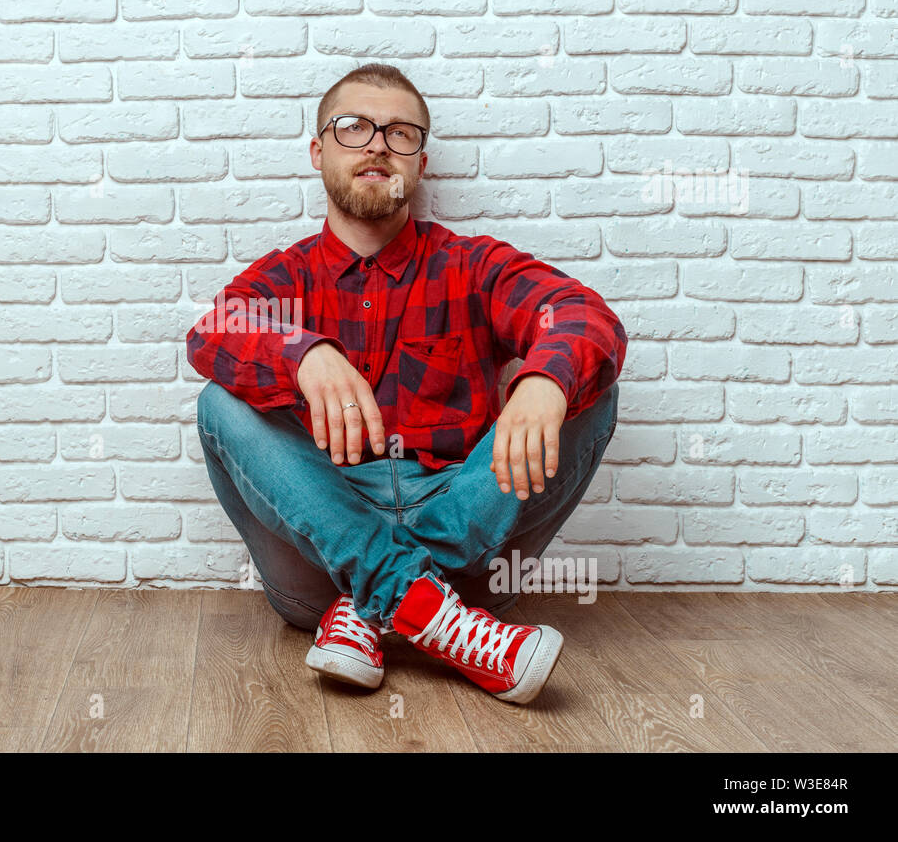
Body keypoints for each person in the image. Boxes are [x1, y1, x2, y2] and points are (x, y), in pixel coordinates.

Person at [186, 63, 626, 704]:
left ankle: (379, 605)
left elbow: (582, 314)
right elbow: (212, 332)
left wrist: (543, 381)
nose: (376, 144)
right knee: (218, 403)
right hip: (319, 566)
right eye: (353, 127)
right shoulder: (286, 276)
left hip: (470, 556)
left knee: (588, 386)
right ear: (318, 152)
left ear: (419, 162)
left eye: (399, 133)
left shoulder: (470, 265)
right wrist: (304, 354)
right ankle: (429, 613)